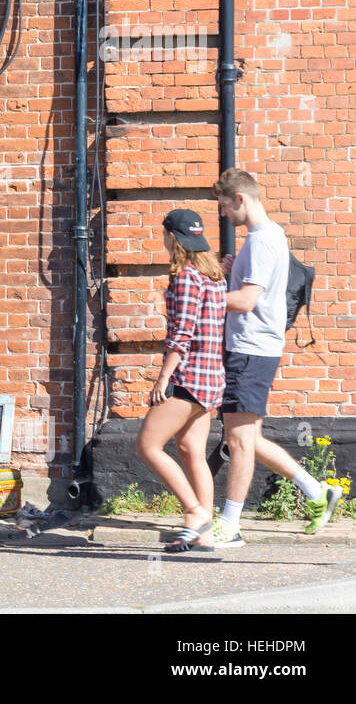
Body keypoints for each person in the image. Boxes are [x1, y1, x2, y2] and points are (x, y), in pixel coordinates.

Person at [211, 169, 344, 546]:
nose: (223, 214)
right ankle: (318, 492)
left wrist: (202, 297)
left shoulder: (261, 241)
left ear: (239, 199)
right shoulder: (268, 236)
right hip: (255, 349)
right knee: (249, 437)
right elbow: (252, 291)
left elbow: (247, 301)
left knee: (237, 441)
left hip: (250, 351)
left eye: (223, 206)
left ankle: (230, 525)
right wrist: (228, 275)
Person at [135, 209, 226, 552]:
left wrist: (163, 377)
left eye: (164, 235)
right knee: (191, 451)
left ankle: (195, 512)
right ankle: (205, 533)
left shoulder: (188, 277)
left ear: (172, 238)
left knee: (147, 445)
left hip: (189, 377)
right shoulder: (216, 277)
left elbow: (181, 334)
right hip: (211, 377)